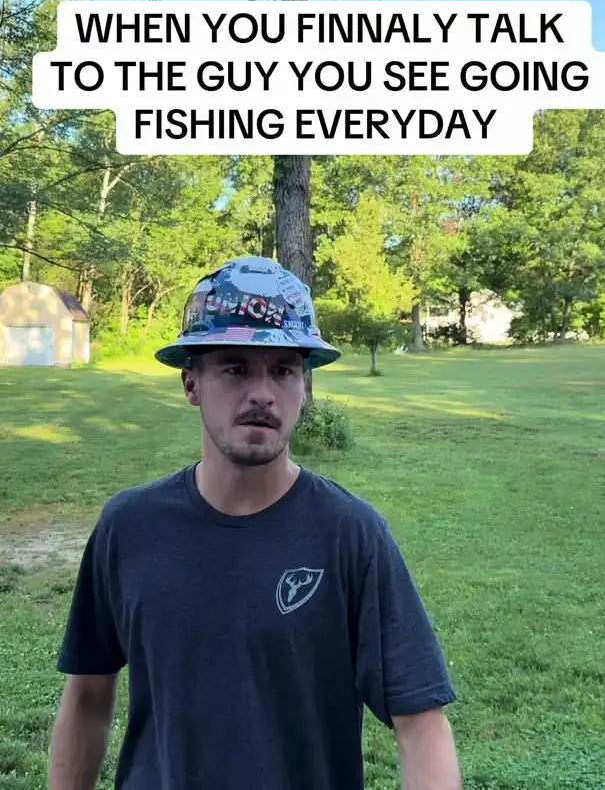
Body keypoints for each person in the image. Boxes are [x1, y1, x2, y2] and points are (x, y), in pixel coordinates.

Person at [49, 256, 462, 790]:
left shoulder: (350, 535)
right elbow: (87, 699)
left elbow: (422, 725)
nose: (263, 393)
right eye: (236, 368)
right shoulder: (129, 528)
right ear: (191, 383)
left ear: (303, 387)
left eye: (283, 370)